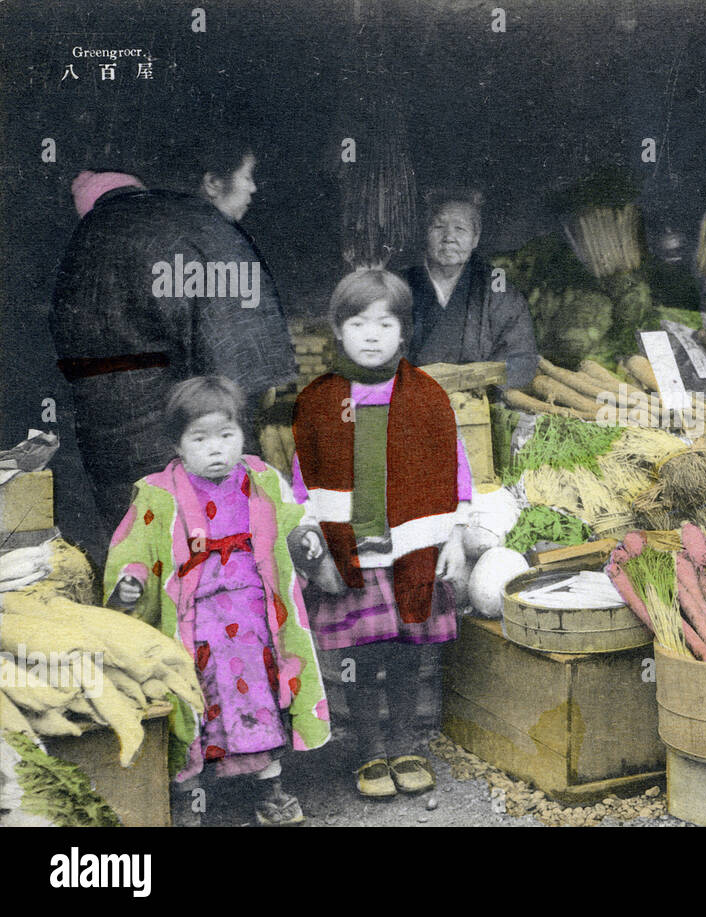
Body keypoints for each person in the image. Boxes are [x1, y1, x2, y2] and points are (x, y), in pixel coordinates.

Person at [103, 376, 331, 826]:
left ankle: (270, 785)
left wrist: (305, 537)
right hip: (191, 617)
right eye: (200, 439)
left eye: (226, 436)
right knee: (188, 695)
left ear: (243, 435)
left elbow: (293, 519)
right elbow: (134, 549)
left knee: (260, 688)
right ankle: (188, 793)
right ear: (177, 443)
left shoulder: (261, 480)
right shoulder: (158, 493)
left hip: (254, 615)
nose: (216, 450)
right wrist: (130, 582)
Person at [49, 139, 297, 550]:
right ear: (213, 183)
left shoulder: (92, 231)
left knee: (139, 561)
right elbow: (239, 362)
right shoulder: (201, 231)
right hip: (180, 443)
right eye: (248, 176)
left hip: (101, 440)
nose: (253, 189)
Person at [292, 268, 472, 798]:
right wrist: (316, 549)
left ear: (403, 331)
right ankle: (368, 746)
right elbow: (306, 483)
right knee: (363, 651)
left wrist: (454, 538)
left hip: (413, 548)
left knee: (407, 649)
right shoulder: (322, 402)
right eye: (358, 321)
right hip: (356, 551)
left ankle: (405, 740)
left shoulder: (425, 396)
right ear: (338, 329)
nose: (372, 334)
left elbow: (452, 469)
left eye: (385, 322)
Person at [402, 190, 539, 389]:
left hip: (477, 406)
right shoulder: (397, 285)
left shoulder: (498, 292)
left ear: (475, 238)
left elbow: (521, 359)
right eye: (439, 226)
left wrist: (475, 383)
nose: (449, 237)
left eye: (460, 228)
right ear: (426, 232)